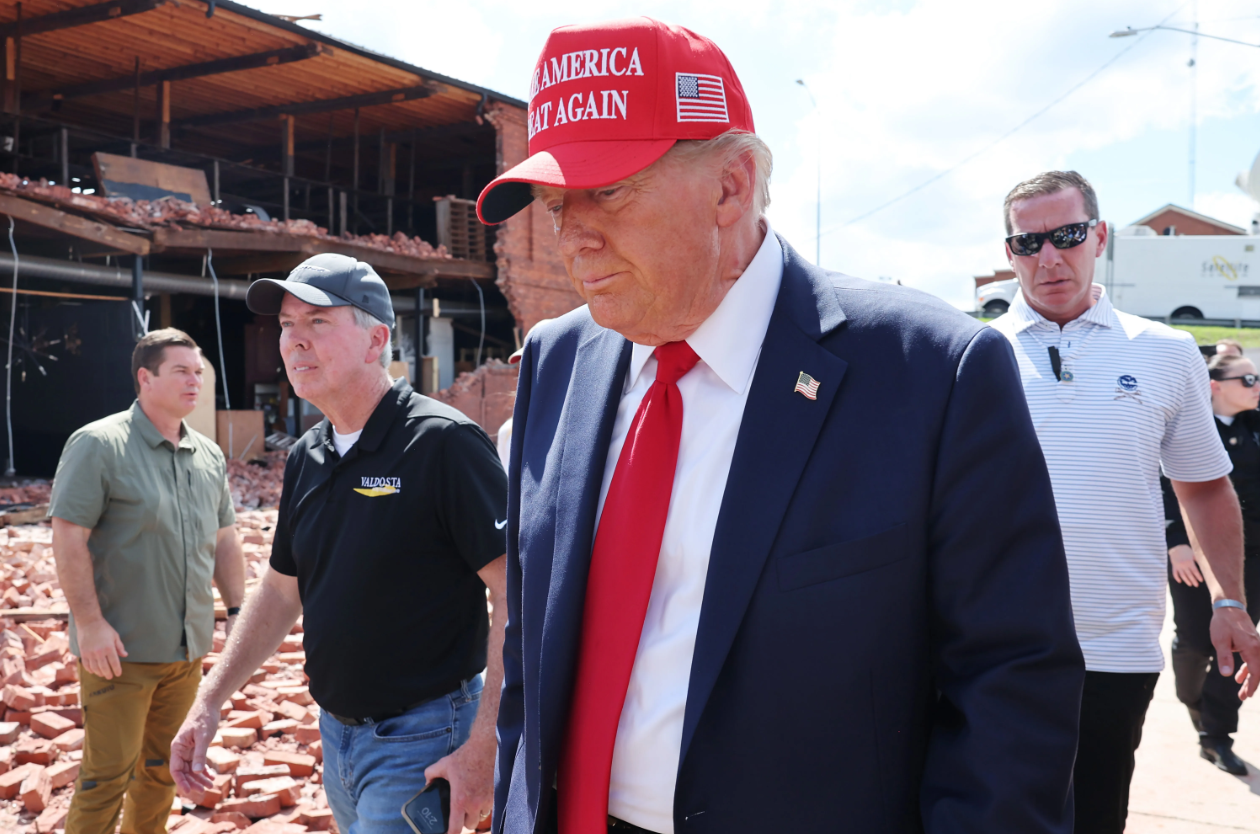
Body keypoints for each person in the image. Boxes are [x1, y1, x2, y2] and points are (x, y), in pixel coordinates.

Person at [477, 18, 1084, 834]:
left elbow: (1009, 690)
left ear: (730, 186)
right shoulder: (555, 359)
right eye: (554, 202)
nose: (571, 232)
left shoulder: (929, 372)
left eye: (608, 190)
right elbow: (533, 648)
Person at [169, 254, 508, 834]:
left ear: (376, 338)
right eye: (285, 325)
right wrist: (210, 697)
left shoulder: (443, 444)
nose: (294, 341)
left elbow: (517, 596)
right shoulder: (309, 453)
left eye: (317, 322)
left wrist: (485, 746)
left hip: (422, 737)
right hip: (337, 736)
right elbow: (280, 590)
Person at [989, 170, 1260, 834]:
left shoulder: (1168, 354)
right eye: (1029, 243)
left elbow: (1202, 486)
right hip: (991, 646)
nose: (1049, 257)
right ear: (1010, 252)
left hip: (1116, 646)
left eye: (1068, 235)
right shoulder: (973, 353)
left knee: (1095, 815)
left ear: (1100, 236)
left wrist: (1229, 601)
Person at [49, 328, 244, 834]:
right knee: (104, 779)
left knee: (163, 772)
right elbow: (68, 538)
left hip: (186, 653)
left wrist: (238, 613)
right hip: (119, 653)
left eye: (198, 372)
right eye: (181, 371)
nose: (194, 382)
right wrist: (89, 624)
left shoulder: (208, 456)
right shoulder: (98, 444)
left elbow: (224, 540)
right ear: (145, 377)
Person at [1162, 352, 1260, 775]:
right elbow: (1163, 482)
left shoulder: (1255, 426)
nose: (1257, 385)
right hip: (1194, 556)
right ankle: (1194, 702)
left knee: (1236, 641)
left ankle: (1217, 736)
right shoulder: (1189, 423)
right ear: (1215, 384)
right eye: (1248, 378)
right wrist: (1175, 542)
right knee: (1195, 643)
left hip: (1250, 556)